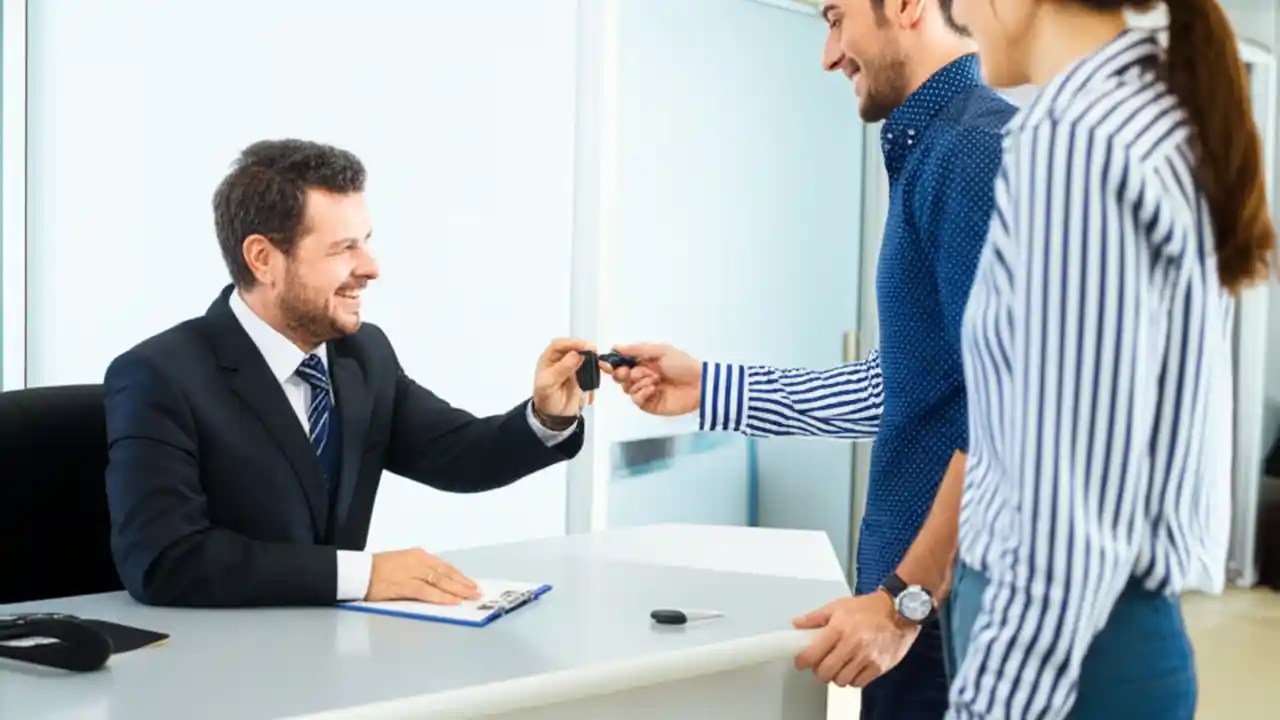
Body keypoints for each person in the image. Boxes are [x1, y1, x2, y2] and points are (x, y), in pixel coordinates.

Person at [604, 1, 1014, 716]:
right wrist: (708, 386)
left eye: (835, 17)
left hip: (952, 612)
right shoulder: (936, 149)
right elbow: (906, 389)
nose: (829, 55)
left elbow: (1005, 413)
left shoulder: (974, 151)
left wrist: (904, 602)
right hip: (931, 608)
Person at [944, 0, 1275, 717]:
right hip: (1101, 642)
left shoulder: (1075, 141)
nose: (960, 15)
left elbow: (1067, 523)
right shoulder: (1141, 117)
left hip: (1073, 661)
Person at [105, 139, 591, 608]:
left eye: (367, 243)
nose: (372, 268)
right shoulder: (159, 376)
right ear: (263, 259)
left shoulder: (363, 355)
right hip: (215, 669)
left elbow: (459, 455)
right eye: (343, 249)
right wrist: (365, 574)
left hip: (335, 659)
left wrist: (548, 418)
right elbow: (165, 559)